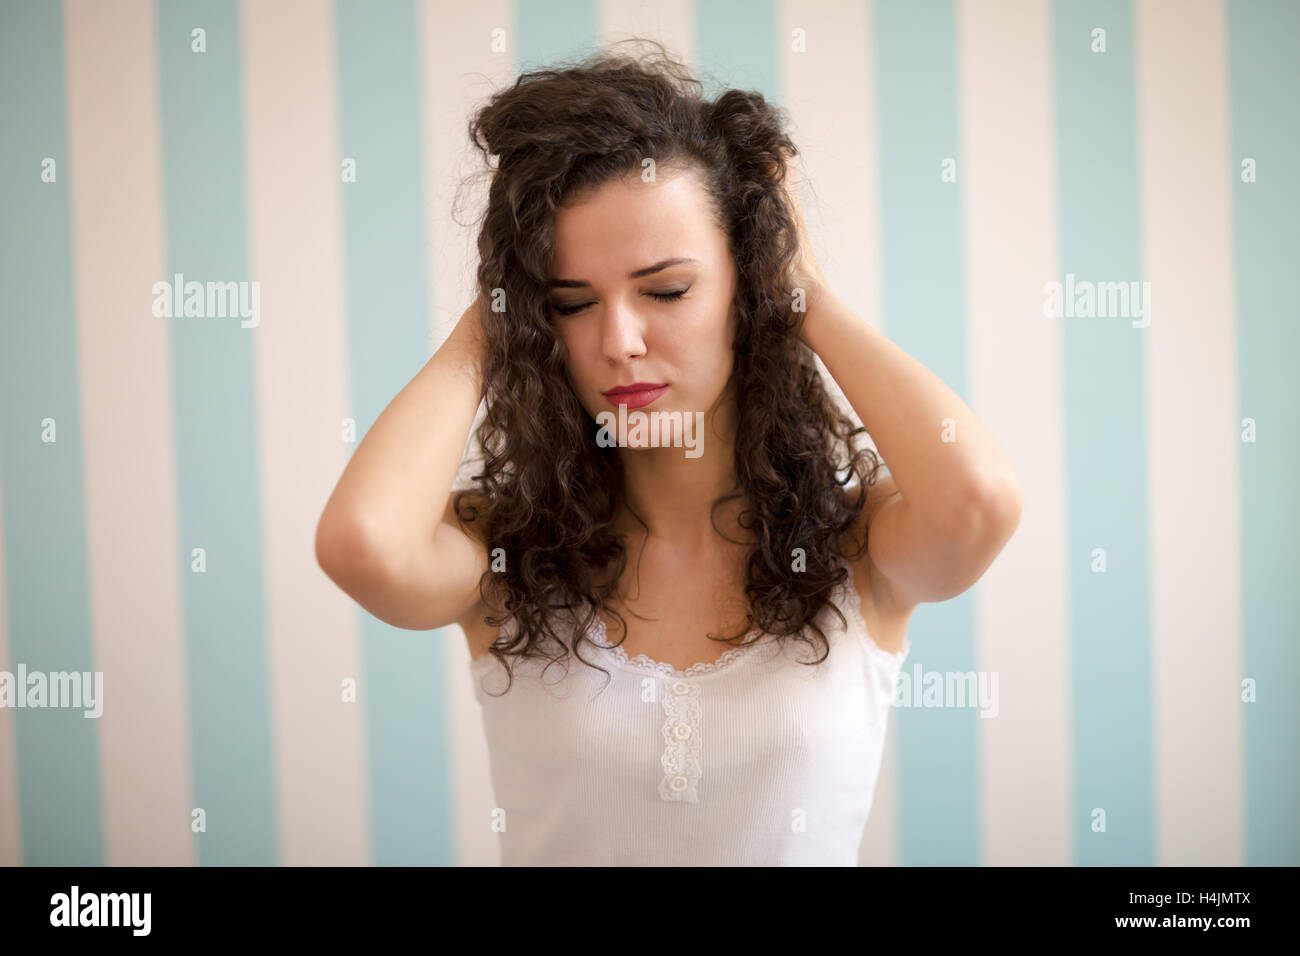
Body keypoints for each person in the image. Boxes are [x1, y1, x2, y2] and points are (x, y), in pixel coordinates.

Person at [315, 41, 1022, 865]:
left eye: (667, 291)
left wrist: (807, 288)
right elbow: (362, 542)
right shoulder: (505, 554)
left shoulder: (855, 550)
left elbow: (978, 501)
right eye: (573, 303)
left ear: (749, 287)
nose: (618, 342)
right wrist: (501, 303)